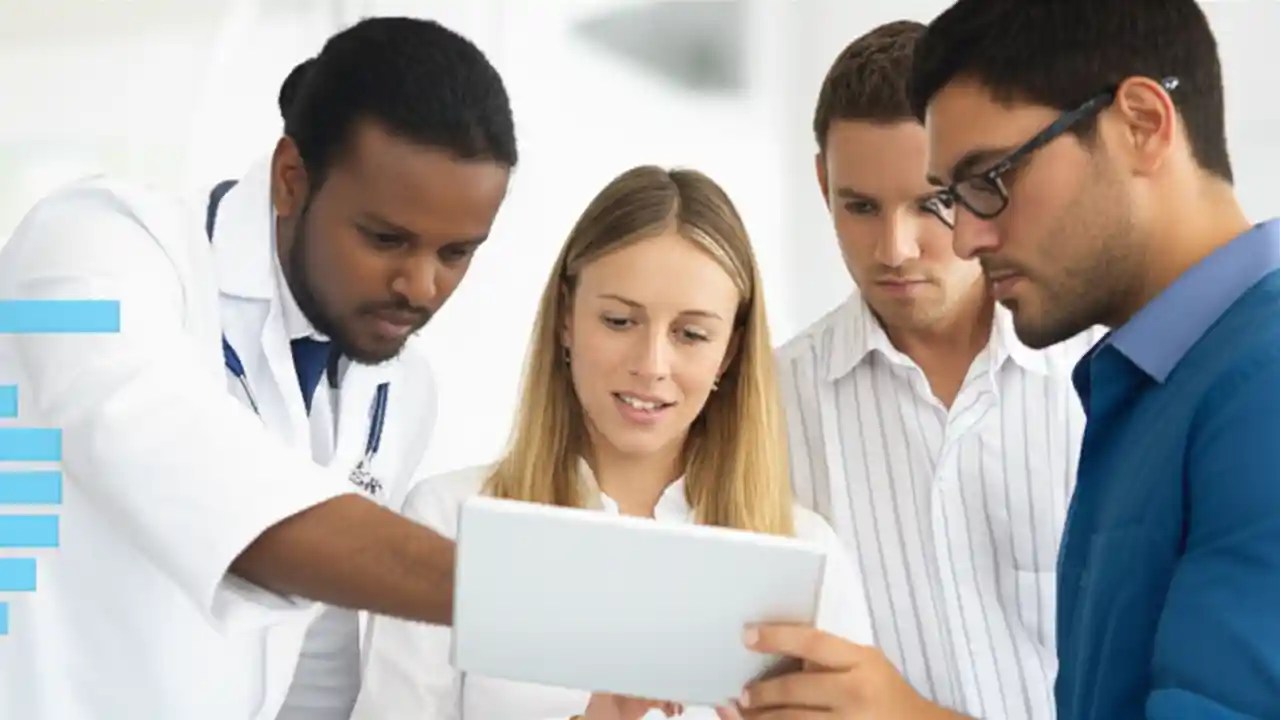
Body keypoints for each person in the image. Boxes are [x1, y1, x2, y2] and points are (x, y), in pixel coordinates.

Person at [0, 17, 516, 720]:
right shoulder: (91, 250)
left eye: (457, 253)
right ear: (291, 179)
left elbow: (317, 651)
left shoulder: (401, 386)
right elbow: (221, 500)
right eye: (385, 238)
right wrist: (535, 602)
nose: (422, 287)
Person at [347, 164, 876, 720]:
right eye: (620, 321)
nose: (651, 365)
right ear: (567, 321)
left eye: (691, 334)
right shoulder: (448, 523)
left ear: (731, 351)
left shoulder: (807, 561)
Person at [901, 0, 1280, 717]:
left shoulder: (1264, 381)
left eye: (992, 178)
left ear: (1141, 124)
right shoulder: (1163, 377)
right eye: (955, 198)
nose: (966, 240)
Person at [736, 21, 1101, 719]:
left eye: (932, 204)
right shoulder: (769, 410)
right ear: (822, 184)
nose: (895, 249)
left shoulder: (1102, 374)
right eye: (861, 207)